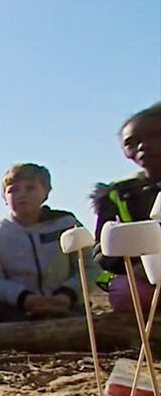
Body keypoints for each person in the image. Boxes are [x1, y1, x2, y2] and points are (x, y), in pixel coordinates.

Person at [0, 163, 91, 320]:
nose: (22, 194)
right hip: (17, 311)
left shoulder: (66, 223)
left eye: (30, 188)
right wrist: (24, 298)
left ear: (46, 192)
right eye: (13, 190)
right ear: (4, 197)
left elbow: (88, 266)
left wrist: (68, 293)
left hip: (69, 305)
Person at [92, 101, 161, 313]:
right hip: (144, 282)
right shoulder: (117, 196)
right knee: (125, 292)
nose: (143, 146)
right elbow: (102, 249)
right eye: (132, 142)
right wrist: (136, 267)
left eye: (155, 135)